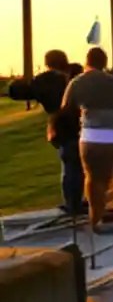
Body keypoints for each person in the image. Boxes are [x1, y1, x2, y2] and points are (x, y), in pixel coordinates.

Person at [61, 47, 113, 233]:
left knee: (94, 178)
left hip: (92, 135)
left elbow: (65, 109)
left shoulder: (77, 82)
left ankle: (95, 220)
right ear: (105, 63)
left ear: (86, 62)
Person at [7, 50, 87, 214]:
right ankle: (79, 200)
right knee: (80, 166)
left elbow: (16, 92)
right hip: (84, 125)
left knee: (70, 166)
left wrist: (20, 81)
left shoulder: (45, 81)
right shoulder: (77, 75)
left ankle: (73, 204)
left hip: (62, 127)